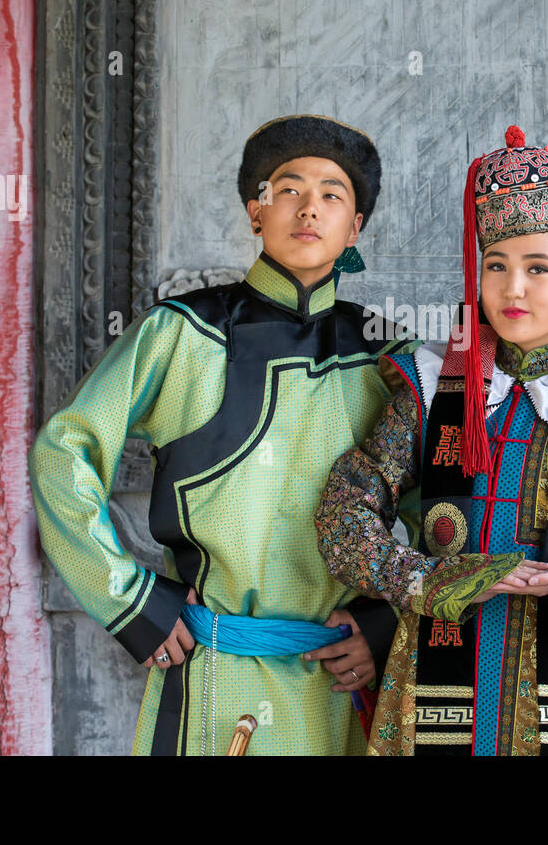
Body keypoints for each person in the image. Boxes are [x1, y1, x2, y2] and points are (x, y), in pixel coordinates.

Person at [29, 114, 420, 755]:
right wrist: (125, 599)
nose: (308, 209)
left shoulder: (387, 356)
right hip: (212, 671)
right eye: (287, 189)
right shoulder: (183, 332)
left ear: (355, 228)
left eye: (332, 195)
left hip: (343, 683)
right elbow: (66, 448)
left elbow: (444, 520)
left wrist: (388, 626)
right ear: (254, 210)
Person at [315, 125, 548, 755]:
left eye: (538, 268)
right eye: (496, 267)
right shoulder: (432, 387)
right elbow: (341, 516)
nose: (512, 288)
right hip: (434, 676)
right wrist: (429, 580)